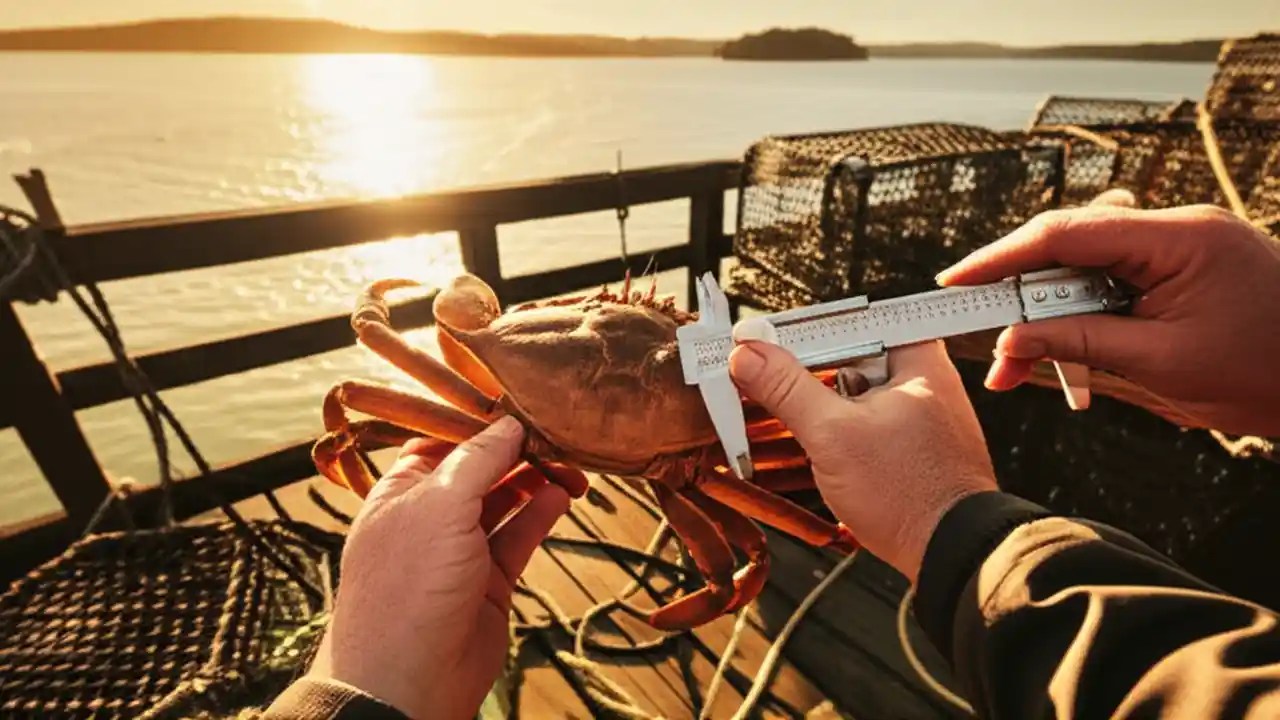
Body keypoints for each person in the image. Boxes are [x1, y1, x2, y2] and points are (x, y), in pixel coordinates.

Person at [263, 197, 1280, 719]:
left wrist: (353, 682)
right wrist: (946, 514)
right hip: (696, 468)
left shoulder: (487, 345)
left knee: (357, 404)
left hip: (503, 470)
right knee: (739, 555)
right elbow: (744, 560)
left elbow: (377, 363)